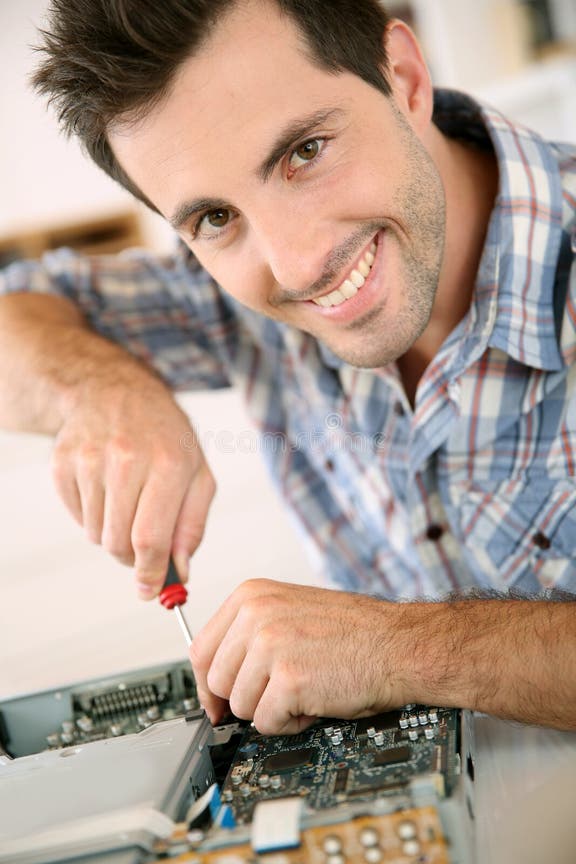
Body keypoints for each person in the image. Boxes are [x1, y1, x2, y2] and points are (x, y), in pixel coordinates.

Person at [0, 0, 574, 735]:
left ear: (403, 77)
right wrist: (101, 390)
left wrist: (398, 650)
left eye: (304, 152)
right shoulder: (231, 306)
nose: (295, 264)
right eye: (214, 218)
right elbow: (20, 305)